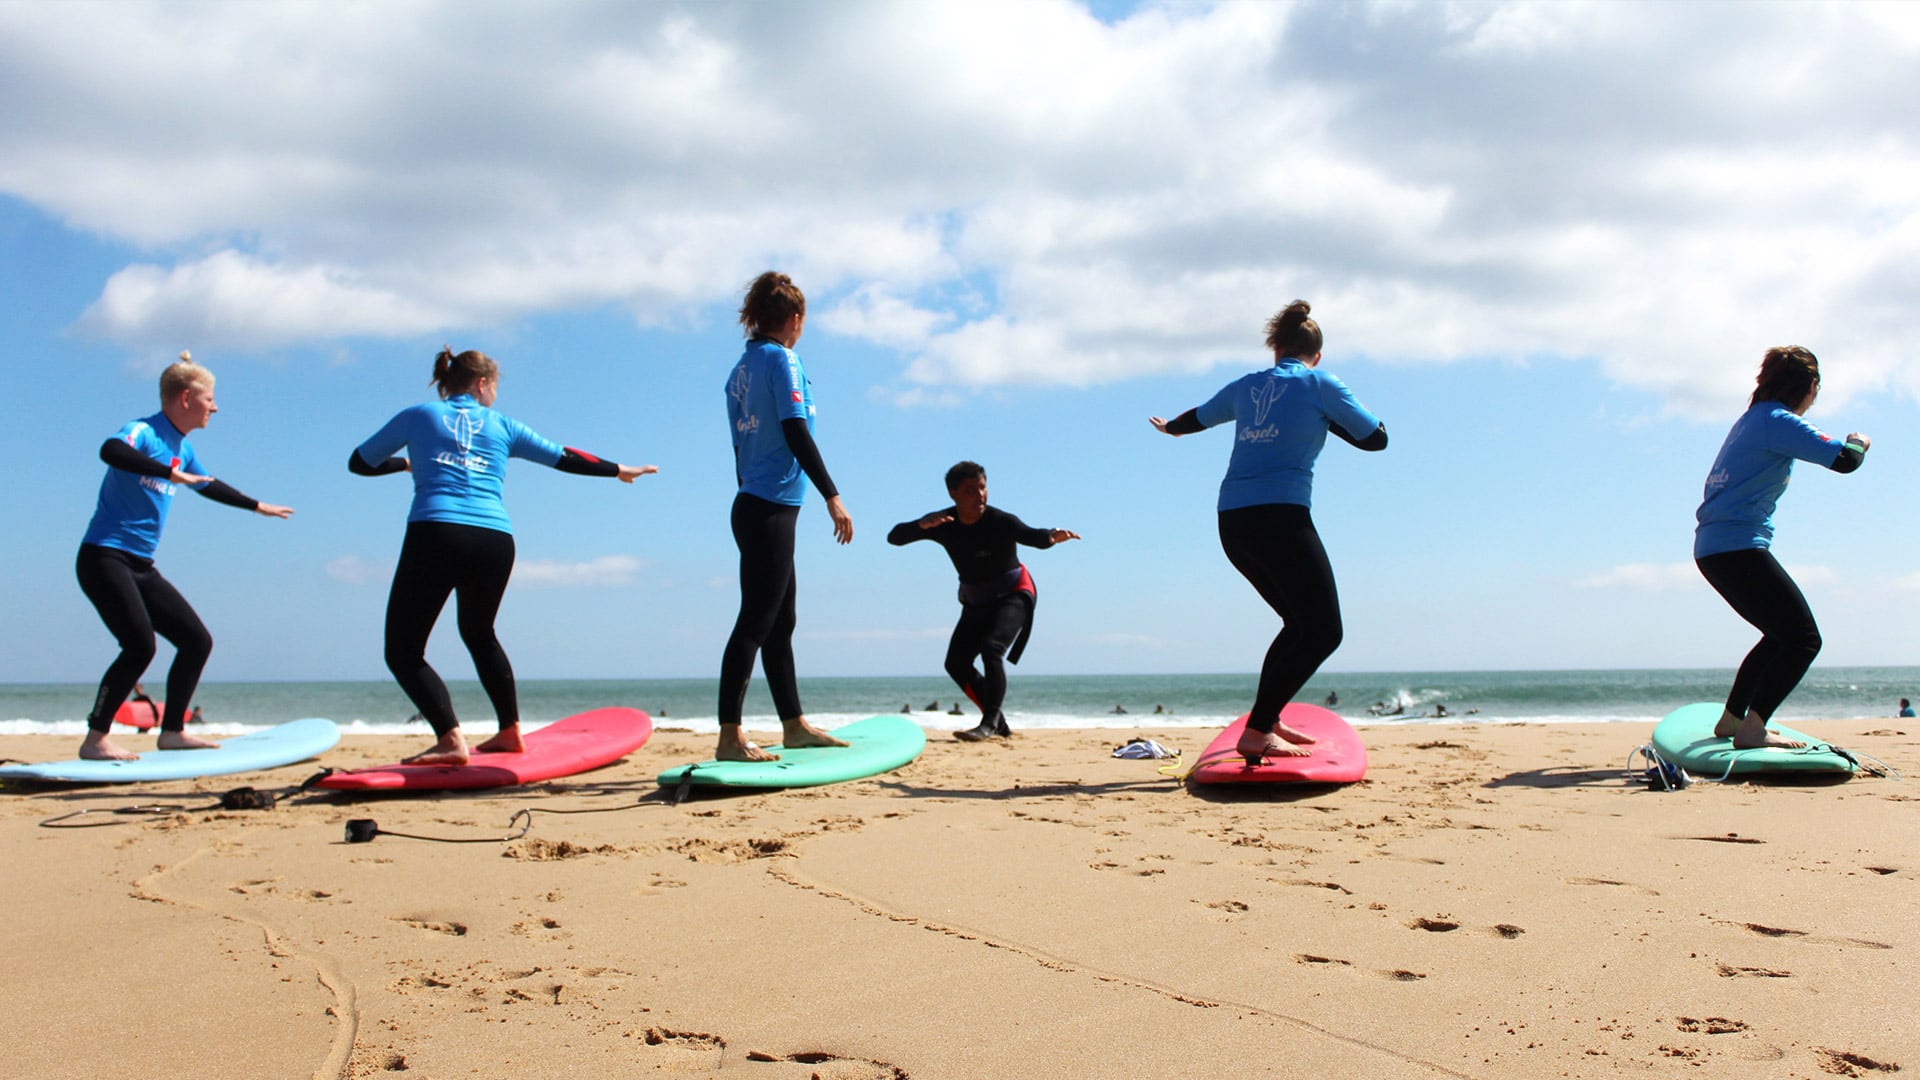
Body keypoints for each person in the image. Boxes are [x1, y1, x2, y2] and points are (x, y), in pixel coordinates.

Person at [352, 346, 656, 765]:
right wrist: (617, 469)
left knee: (403, 650)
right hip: (494, 540)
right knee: (479, 633)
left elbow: (360, 462)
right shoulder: (503, 426)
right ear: (482, 384)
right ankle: (510, 730)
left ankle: (450, 738)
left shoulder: (418, 416)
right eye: (495, 386)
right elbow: (563, 456)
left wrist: (407, 464)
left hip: (436, 532)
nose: (495, 394)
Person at [1152, 299, 1386, 764]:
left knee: (1299, 626)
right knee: (1324, 631)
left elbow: (1197, 418)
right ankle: (1257, 731)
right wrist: (1328, 416)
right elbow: (1375, 439)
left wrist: (1171, 428)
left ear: (1275, 349)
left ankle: (1267, 718)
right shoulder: (1321, 383)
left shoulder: (1246, 386)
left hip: (1233, 522)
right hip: (1281, 517)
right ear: (1316, 355)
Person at [75, 352, 294, 761]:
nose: (215, 407)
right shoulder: (144, 431)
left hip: (141, 565)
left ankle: (172, 731)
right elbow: (110, 450)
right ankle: (96, 739)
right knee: (139, 646)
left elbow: (206, 484)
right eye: (210, 398)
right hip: (104, 556)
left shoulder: (182, 447)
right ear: (186, 398)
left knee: (196, 641)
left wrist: (256, 505)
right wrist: (167, 472)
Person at [1695, 346, 1867, 750]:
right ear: (1810, 386)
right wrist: (1860, 441)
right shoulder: (1777, 420)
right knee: (1805, 640)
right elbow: (1845, 460)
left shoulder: (1750, 420)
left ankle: (1732, 720)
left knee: (1778, 635)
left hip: (1713, 548)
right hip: (1737, 547)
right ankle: (1753, 730)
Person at [717, 272, 853, 762]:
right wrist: (832, 495)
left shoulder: (740, 371)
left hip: (753, 504)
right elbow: (796, 429)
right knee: (756, 621)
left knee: (780, 620)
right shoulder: (783, 360)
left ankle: (793, 725)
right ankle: (729, 737)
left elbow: (739, 448)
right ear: (795, 318)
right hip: (771, 506)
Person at [888, 461, 1080, 741]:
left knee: (992, 648)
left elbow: (1032, 536)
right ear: (953, 493)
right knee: (956, 663)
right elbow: (894, 537)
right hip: (977, 601)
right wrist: (921, 524)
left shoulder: (1000, 520)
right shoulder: (943, 523)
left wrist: (1051, 536)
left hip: (1015, 592)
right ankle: (998, 722)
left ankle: (988, 723)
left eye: (982, 488)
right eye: (970, 490)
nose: (979, 495)